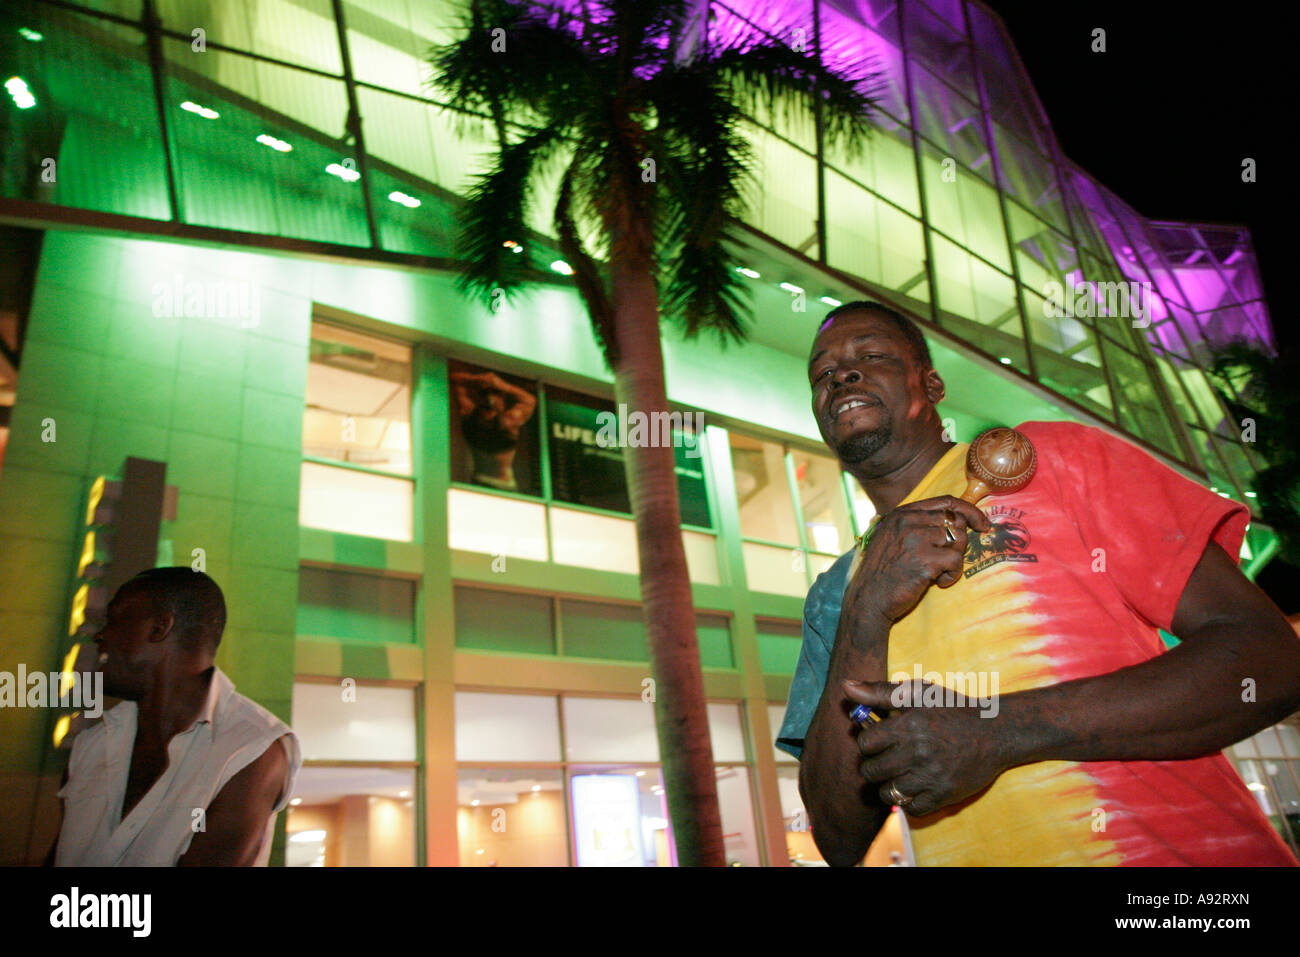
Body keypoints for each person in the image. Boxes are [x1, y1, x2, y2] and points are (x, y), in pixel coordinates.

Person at [777, 300, 1300, 866]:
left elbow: (1269, 660)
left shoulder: (1051, 457)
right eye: (822, 373)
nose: (841, 376)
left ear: (930, 384)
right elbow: (839, 838)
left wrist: (1000, 731)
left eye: (872, 355)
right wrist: (864, 609)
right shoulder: (834, 594)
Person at [49, 567, 301, 866]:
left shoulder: (251, 751)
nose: (99, 635)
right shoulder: (90, 746)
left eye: (114, 619)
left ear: (159, 628)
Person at [451, 368, 537, 491]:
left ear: (502, 400)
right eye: (486, 394)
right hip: (479, 480)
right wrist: (478, 379)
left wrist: (500, 385)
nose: (491, 399)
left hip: (502, 484)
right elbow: (455, 378)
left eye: (496, 395)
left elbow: (530, 401)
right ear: (481, 398)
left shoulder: (509, 420)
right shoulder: (470, 414)